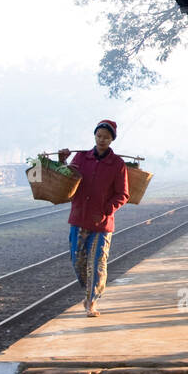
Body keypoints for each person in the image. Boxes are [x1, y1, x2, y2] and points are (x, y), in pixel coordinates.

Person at [58, 119, 129, 317]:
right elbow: (67, 179)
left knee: (97, 262)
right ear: (94, 136)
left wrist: (107, 209)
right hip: (79, 217)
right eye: (99, 136)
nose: (102, 140)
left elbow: (123, 194)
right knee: (77, 259)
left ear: (112, 140)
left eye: (106, 137)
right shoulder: (81, 158)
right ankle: (89, 290)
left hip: (102, 222)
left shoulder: (118, 164)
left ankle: (91, 302)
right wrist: (62, 161)